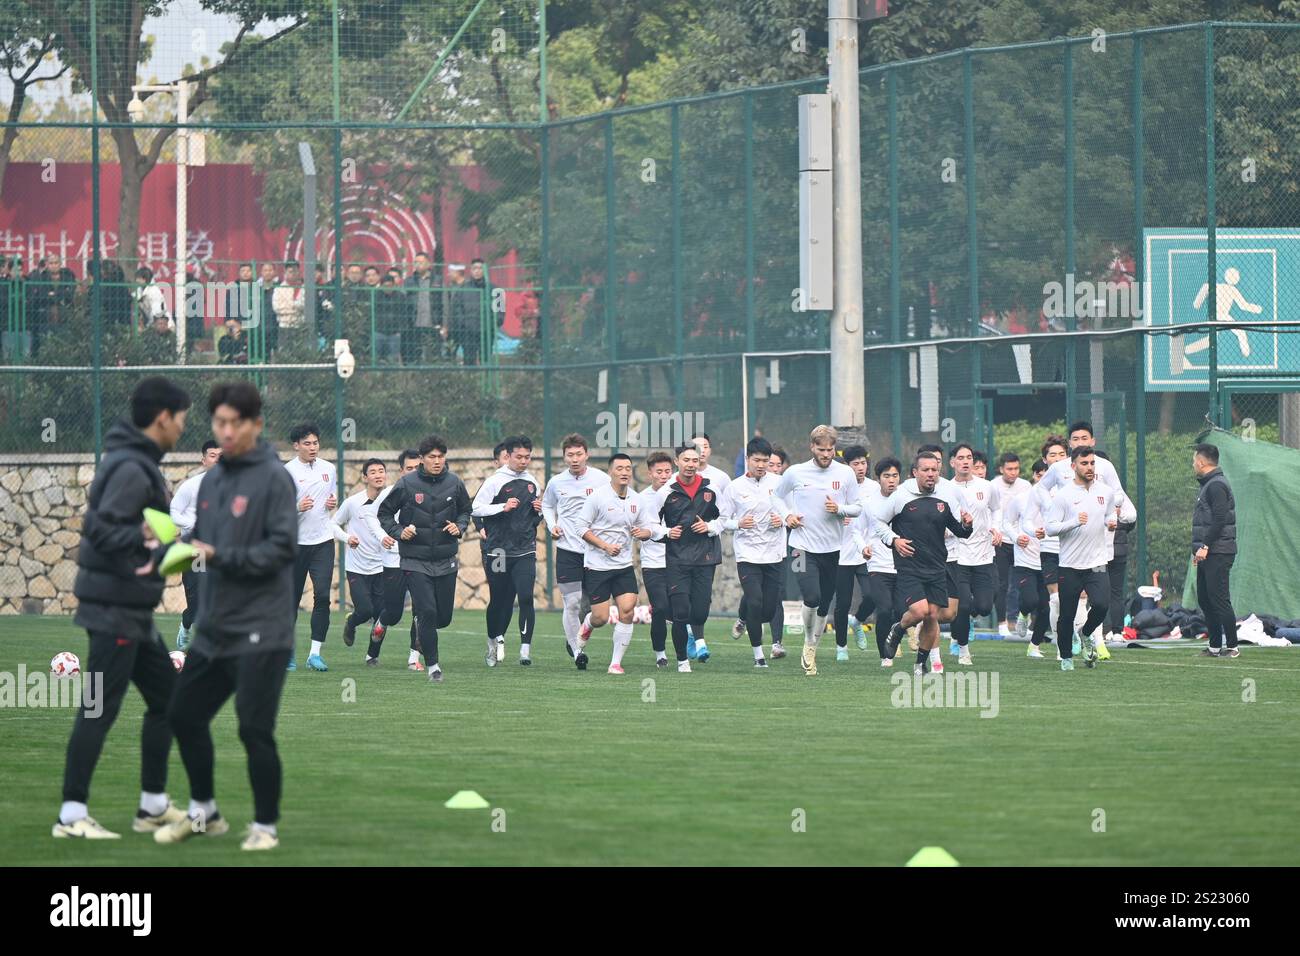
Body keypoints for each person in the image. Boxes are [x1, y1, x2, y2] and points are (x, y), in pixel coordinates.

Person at [156, 381, 298, 851]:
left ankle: (265, 827)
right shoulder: (211, 481)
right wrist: (166, 548)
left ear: (256, 425)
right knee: (183, 715)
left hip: (264, 626)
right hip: (215, 627)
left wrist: (221, 555)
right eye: (219, 422)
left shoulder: (275, 478)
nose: (227, 431)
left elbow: (280, 551)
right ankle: (205, 812)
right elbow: (199, 543)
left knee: (253, 729)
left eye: (236, 423)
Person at [54, 377, 193, 840]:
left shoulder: (135, 461)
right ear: (163, 418)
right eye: (182, 417)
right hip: (113, 609)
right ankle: (71, 817)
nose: (184, 426)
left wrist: (162, 548)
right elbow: (104, 531)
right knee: (98, 709)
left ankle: (152, 805)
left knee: (168, 700)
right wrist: (150, 545)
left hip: (131, 612)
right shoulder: (133, 467)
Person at [375, 435, 472, 683]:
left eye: (441, 457)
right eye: (432, 457)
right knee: (426, 611)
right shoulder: (406, 484)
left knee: (443, 618)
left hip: (445, 559)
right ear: (422, 459)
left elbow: (465, 511)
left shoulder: (455, 483)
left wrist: (459, 527)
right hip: (414, 560)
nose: (437, 461)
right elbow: (384, 513)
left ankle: (423, 630)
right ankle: (433, 667)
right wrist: (399, 531)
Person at [873, 454, 974, 676]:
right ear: (915, 473)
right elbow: (878, 522)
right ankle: (898, 628)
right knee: (919, 611)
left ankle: (920, 664)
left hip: (937, 567)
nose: (931, 474)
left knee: (932, 617)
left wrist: (968, 525)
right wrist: (894, 540)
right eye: (926, 470)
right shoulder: (900, 496)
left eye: (934, 470)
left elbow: (960, 532)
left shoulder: (944, 499)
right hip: (910, 566)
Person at [775, 425, 862, 676]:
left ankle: (814, 642)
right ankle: (808, 643)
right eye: (821, 449)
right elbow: (777, 498)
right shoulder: (795, 472)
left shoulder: (845, 473)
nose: (826, 454)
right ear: (811, 447)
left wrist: (840, 509)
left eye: (830, 449)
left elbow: (857, 507)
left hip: (832, 549)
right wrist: (786, 516)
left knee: (824, 602)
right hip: (800, 547)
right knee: (810, 596)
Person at [577, 453, 657, 674]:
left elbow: (648, 527)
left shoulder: (636, 500)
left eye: (628, 468)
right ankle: (587, 626)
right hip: (597, 566)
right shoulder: (597, 497)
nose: (624, 472)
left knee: (628, 610)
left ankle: (615, 663)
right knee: (601, 618)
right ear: (611, 471)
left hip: (623, 566)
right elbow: (581, 528)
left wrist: (644, 532)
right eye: (619, 468)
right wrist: (604, 546)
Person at [472, 435, 544, 666]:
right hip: (498, 552)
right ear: (508, 456)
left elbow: (535, 519)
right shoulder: (495, 481)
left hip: (524, 550)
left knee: (524, 596)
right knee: (499, 600)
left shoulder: (533, 482)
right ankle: (493, 642)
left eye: (527, 457)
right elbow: (476, 508)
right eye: (518, 457)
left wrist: (539, 511)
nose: (523, 461)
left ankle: (525, 650)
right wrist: (502, 507)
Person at [1044, 447, 1118, 671]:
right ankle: (1066, 657)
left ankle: (1085, 633)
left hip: (1096, 562)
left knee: (1103, 604)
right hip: (1069, 566)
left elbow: (1109, 513)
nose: (1089, 467)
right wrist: (1074, 521)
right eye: (1084, 463)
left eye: (1092, 463)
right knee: (1066, 614)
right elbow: (1050, 528)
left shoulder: (1105, 492)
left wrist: (1111, 521)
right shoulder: (1063, 495)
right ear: (1073, 466)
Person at [653, 443, 724, 671]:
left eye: (695, 460)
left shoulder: (711, 488)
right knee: (681, 611)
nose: (691, 464)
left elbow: (727, 517)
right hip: (677, 560)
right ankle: (682, 660)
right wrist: (666, 532)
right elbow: (651, 524)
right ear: (677, 462)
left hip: (705, 558)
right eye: (686, 460)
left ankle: (695, 636)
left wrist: (711, 527)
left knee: (700, 612)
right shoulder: (666, 491)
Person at [718, 436, 787, 668]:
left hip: (774, 554)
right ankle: (759, 656)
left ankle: (742, 618)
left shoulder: (780, 483)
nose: (761, 465)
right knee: (755, 602)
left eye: (765, 461)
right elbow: (722, 520)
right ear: (747, 459)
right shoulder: (734, 488)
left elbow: (793, 513)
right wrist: (738, 523)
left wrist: (783, 520)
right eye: (756, 460)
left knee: (767, 610)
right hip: (747, 554)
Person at [542, 434, 610, 659]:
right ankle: (577, 649)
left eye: (578, 454)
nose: (574, 459)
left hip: (594, 552)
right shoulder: (556, 482)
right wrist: (552, 525)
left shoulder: (601, 480)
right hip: (568, 551)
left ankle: (580, 636)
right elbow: (547, 505)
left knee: (595, 610)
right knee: (571, 603)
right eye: (570, 455)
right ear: (564, 457)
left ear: (587, 455)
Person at [361, 449, 424, 669]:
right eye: (409, 468)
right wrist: (383, 536)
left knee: (421, 610)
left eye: (418, 467)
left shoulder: (431, 491)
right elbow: (369, 514)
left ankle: (413, 658)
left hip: (420, 560)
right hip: (393, 562)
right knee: (394, 613)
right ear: (401, 470)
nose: (414, 472)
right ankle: (372, 651)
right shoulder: (392, 491)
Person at [284, 422, 338, 672]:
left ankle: (315, 654)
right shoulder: (286, 472)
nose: (312, 447)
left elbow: (331, 503)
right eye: (307, 443)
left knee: (323, 596)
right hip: (295, 545)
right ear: (296, 446)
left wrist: (331, 503)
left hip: (323, 542)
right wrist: (295, 507)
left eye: (315, 442)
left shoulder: (329, 468)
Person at [948, 442, 1003, 666]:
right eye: (960, 458)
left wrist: (996, 528)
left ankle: (964, 623)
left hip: (983, 554)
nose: (965, 461)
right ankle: (962, 648)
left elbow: (996, 509)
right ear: (952, 463)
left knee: (983, 606)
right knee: (962, 605)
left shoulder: (987, 486)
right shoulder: (946, 489)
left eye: (968, 457)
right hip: (957, 555)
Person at [333, 458, 390, 654]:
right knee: (365, 610)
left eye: (381, 471)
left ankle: (372, 655)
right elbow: (332, 524)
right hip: (357, 567)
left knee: (382, 615)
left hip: (384, 567)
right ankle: (352, 621)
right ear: (365, 477)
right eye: (372, 472)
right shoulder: (352, 503)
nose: (378, 475)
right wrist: (347, 537)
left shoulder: (392, 501)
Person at [170, 438, 222, 650]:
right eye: (213, 456)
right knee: (197, 601)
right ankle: (186, 624)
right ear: (203, 460)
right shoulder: (191, 486)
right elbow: (174, 513)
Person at [1192, 443, 1239, 658]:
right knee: (1205, 598)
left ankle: (1232, 647)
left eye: (1194, 460)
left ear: (1201, 462)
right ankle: (1214, 647)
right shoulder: (1208, 484)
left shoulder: (1216, 485)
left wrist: (1205, 546)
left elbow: (1220, 519)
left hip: (1218, 551)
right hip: (1208, 552)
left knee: (1219, 598)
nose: (1193, 464)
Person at [1005, 458, 1052, 658]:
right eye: (1039, 475)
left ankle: (1034, 646)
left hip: (1050, 559)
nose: (1042, 479)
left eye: (1046, 476)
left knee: (1047, 607)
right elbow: (1007, 522)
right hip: (1025, 559)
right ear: (1033, 476)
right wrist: (1017, 537)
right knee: (1030, 600)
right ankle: (1023, 613)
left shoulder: (1059, 499)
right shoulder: (1021, 498)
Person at [830, 444, 872, 660]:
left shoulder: (874, 488)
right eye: (855, 464)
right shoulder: (838, 487)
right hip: (842, 553)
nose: (860, 467)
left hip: (867, 552)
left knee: (873, 595)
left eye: (863, 463)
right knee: (843, 602)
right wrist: (840, 512)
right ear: (847, 466)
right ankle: (841, 647)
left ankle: (857, 621)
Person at [859, 457, 901, 666]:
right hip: (877, 565)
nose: (891, 480)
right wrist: (863, 547)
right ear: (878, 479)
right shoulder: (869, 503)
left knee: (902, 612)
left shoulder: (906, 501)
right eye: (886, 476)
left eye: (894, 476)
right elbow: (856, 531)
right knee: (884, 609)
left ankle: (894, 640)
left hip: (903, 567)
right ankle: (885, 655)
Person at [637, 451, 676, 668]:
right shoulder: (641, 499)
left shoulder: (679, 495)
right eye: (659, 471)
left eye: (667, 471)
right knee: (660, 608)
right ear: (649, 473)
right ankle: (660, 653)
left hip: (678, 562)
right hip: (653, 563)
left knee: (683, 609)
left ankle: (684, 650)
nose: (664, 475)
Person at [992, 452, 1032, 636]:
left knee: (1021, 584)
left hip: (1020, 542)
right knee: (1001, 584)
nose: (1013, 472)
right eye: (1009, 469)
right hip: (1000, 542)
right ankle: (1002, 623)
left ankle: (1021, 620)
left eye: (1016, 468)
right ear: (1001, 469)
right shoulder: (993, 486)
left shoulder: (1026, 486)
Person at [404, 251, 440, 364]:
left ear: (428, 264)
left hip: (433, 324)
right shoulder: (409, 281)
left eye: (421, 262)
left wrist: (444, 324)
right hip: (414, 324)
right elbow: (404, 303)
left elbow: (444, 303)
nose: (418, 264)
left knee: (432, 356)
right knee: (415, 355)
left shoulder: (437, 280)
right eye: (415, 262)